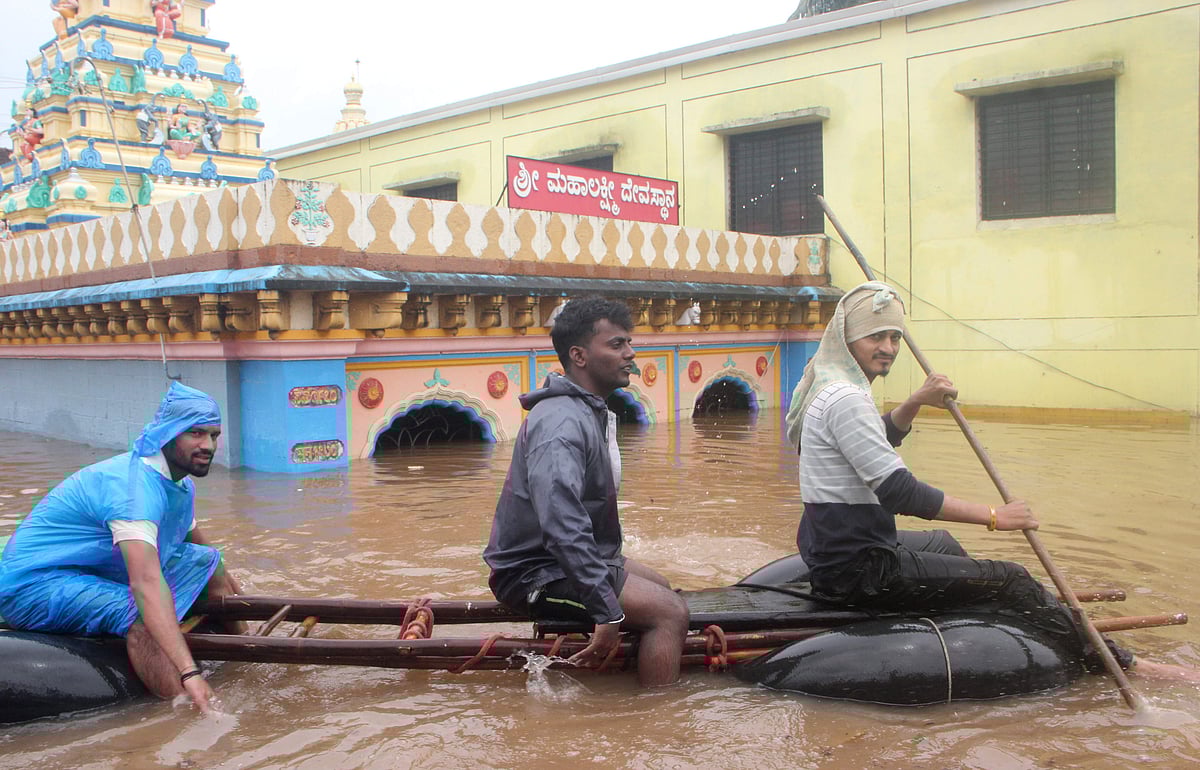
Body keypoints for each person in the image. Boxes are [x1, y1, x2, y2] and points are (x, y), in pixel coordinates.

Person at [784, 281, 1198, 681]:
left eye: (894, 337)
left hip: (831, 550)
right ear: (850, 336)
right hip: (863, 571)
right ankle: (1125, 665)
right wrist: (997, 516)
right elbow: (899, 491)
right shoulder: (848, 400)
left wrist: (913, 402)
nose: (889, 349)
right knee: (1011, 577)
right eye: (876, 337)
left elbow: (867, 444)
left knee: (943, 544)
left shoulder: (831, 389)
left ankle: (970, 606)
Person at [0, 382, 246, 714]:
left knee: (209, 560)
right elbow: (145, 584)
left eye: (214, 435)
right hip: (34, 584)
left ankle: (247, 650)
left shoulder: (178, 482)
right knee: (141, 614)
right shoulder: (134, 492)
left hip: (90, 569)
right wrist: (190, 672)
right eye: (196, 434)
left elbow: (197, 545)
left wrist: (216, 573)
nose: (208, 445)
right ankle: (187, 713)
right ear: (168, 435)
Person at [484, 297, 690, 686]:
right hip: (533, 574)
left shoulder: (586, 408)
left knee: (661, 587)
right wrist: (606, 612)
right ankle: (660, 723)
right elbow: (563, 526)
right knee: (670, 613)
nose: (631, 354)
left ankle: (615, 673)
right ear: (579, 356)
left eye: (628, 343)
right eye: (616, 345)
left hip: (561, 558)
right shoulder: (562, 424)